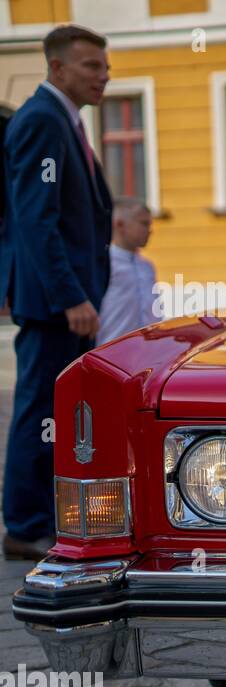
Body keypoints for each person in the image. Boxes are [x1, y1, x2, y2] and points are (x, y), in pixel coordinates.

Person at [0, 25, 112, 560]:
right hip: (54, 305)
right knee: (38, 411)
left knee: (57, 411)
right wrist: (71, 296)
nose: (103, 76)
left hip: (65, 301)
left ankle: (45, 515)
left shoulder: (62, 121)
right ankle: (25, 526)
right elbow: (35, 221)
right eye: (91, 66)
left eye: (106, 67)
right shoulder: (42, 121)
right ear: (57, 68)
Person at [96, 197, 157, 345]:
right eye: (144, 224)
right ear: (119, 225)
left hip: (145, 351)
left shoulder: (147, 267)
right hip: (109, 351)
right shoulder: (103, 264)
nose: (150, 230)